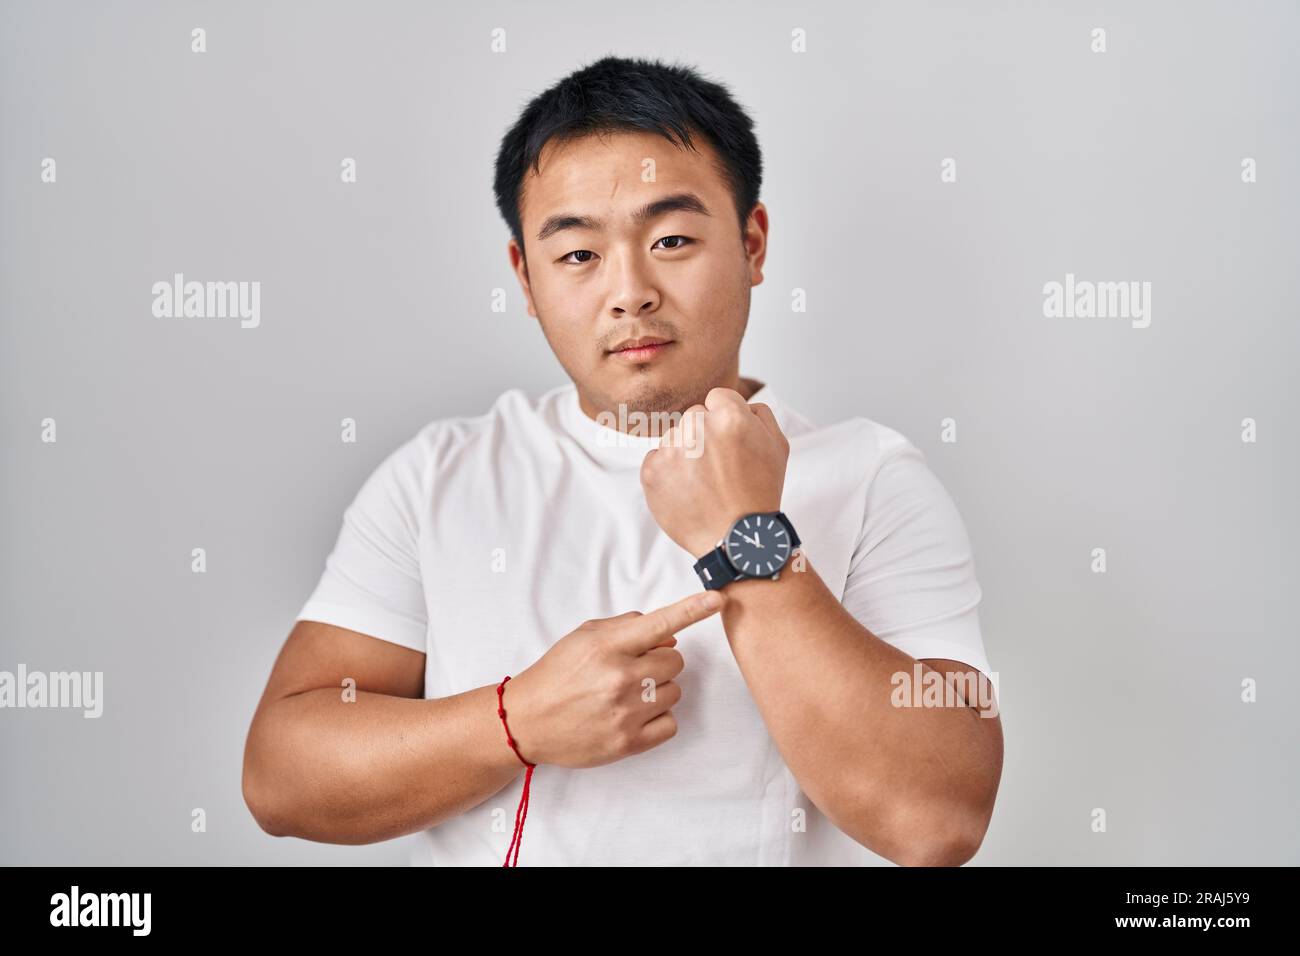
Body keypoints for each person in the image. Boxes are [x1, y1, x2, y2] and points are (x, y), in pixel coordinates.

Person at [241, 55, 1003, 866]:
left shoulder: (873, 476)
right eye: (578, 256)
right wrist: (518, 720)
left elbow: (938, 819)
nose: (630, 290)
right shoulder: (440, 476)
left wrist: (746, 538)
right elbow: (280, 776)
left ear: (752, 244)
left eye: (672, 238)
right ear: (525, 279)